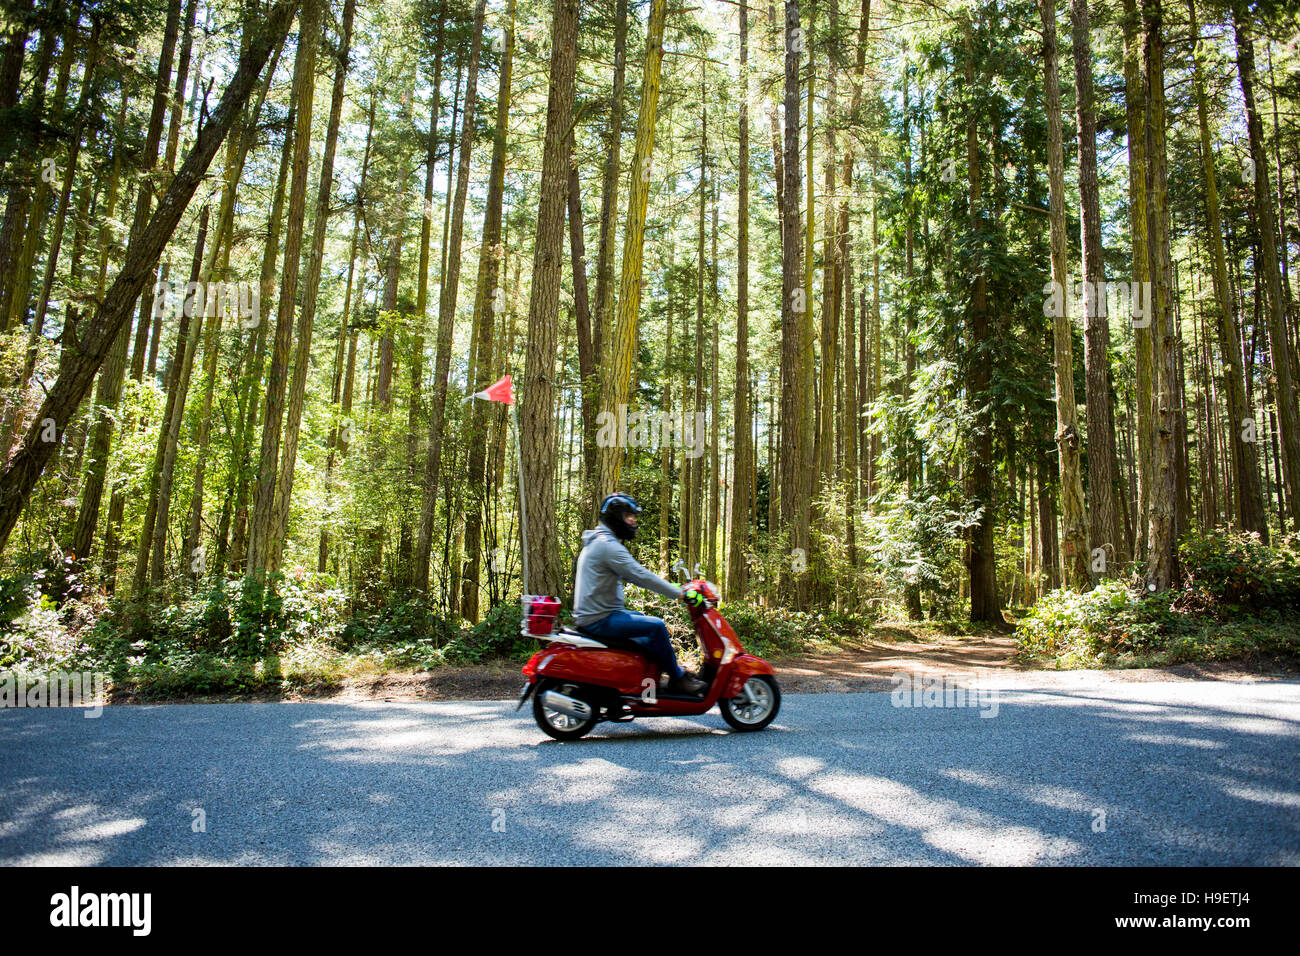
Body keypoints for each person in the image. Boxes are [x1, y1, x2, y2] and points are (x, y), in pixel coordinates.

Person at [573, 494, 707, 696]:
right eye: (629, 516)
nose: (633, 522)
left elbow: (636, 574)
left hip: (602, 614)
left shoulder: (601, 541)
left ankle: (651, 678)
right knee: (657, 626)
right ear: (616, 517)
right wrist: (680, 593)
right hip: (599, 619)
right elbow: (640, 576)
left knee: (644, 621)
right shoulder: (608, 546)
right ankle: (677, 679)